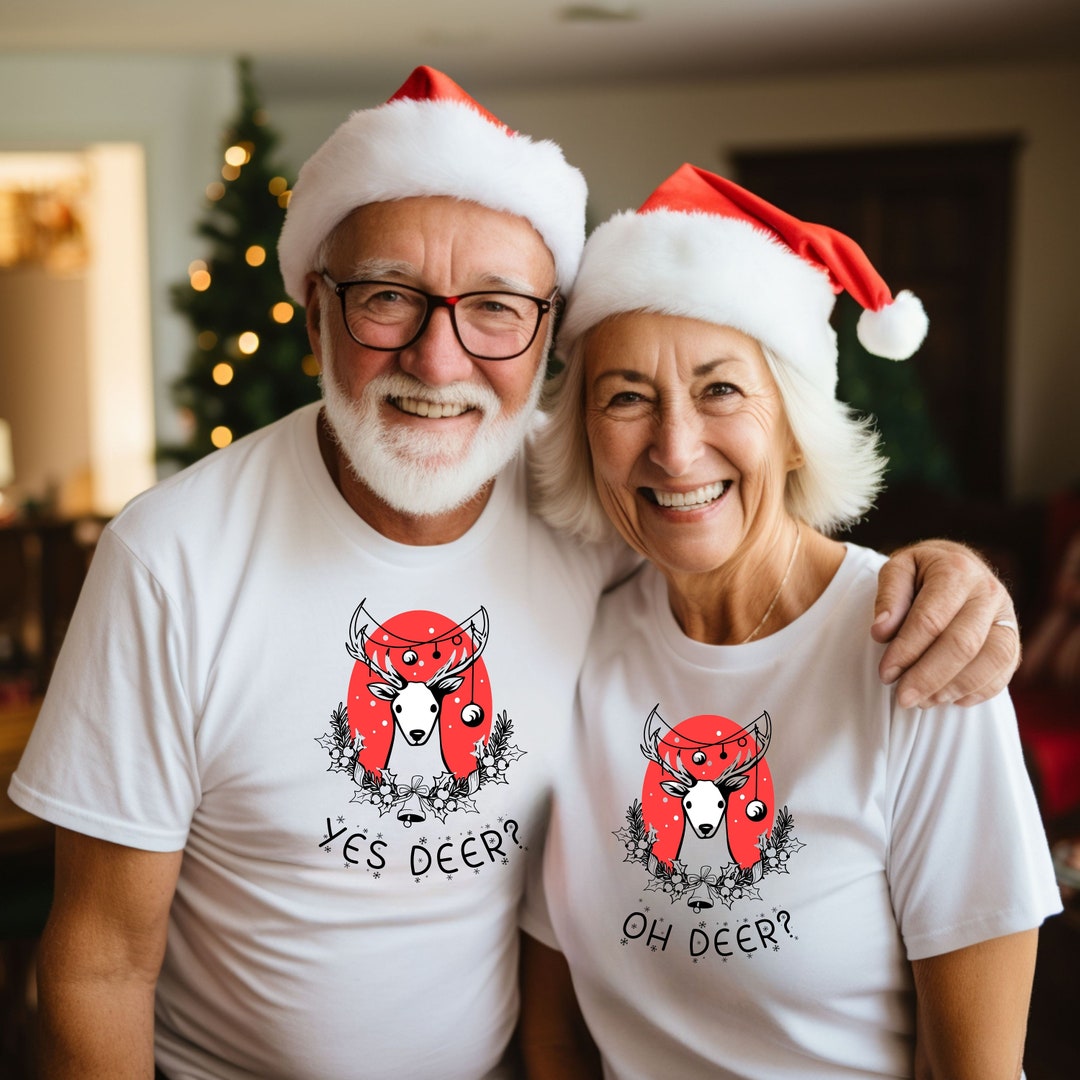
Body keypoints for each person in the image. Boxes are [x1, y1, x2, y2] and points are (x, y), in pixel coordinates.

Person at [10, 69, 1019, 1080]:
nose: (440, 361)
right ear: (318, 309)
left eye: (494, 307)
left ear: (542, 334)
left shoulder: (585, 503)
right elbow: (96, 966)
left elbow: (740, 525)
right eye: (389, 297)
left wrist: (953, 579)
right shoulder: (172, 557)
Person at [519, 164, 1062, 1079]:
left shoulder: (922, 654)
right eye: (625, 396)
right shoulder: (578, 641)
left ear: (795, 421)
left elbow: (975, 1068)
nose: (675, 446)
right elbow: (555, 1017)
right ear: (581, 430)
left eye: (721, 390)